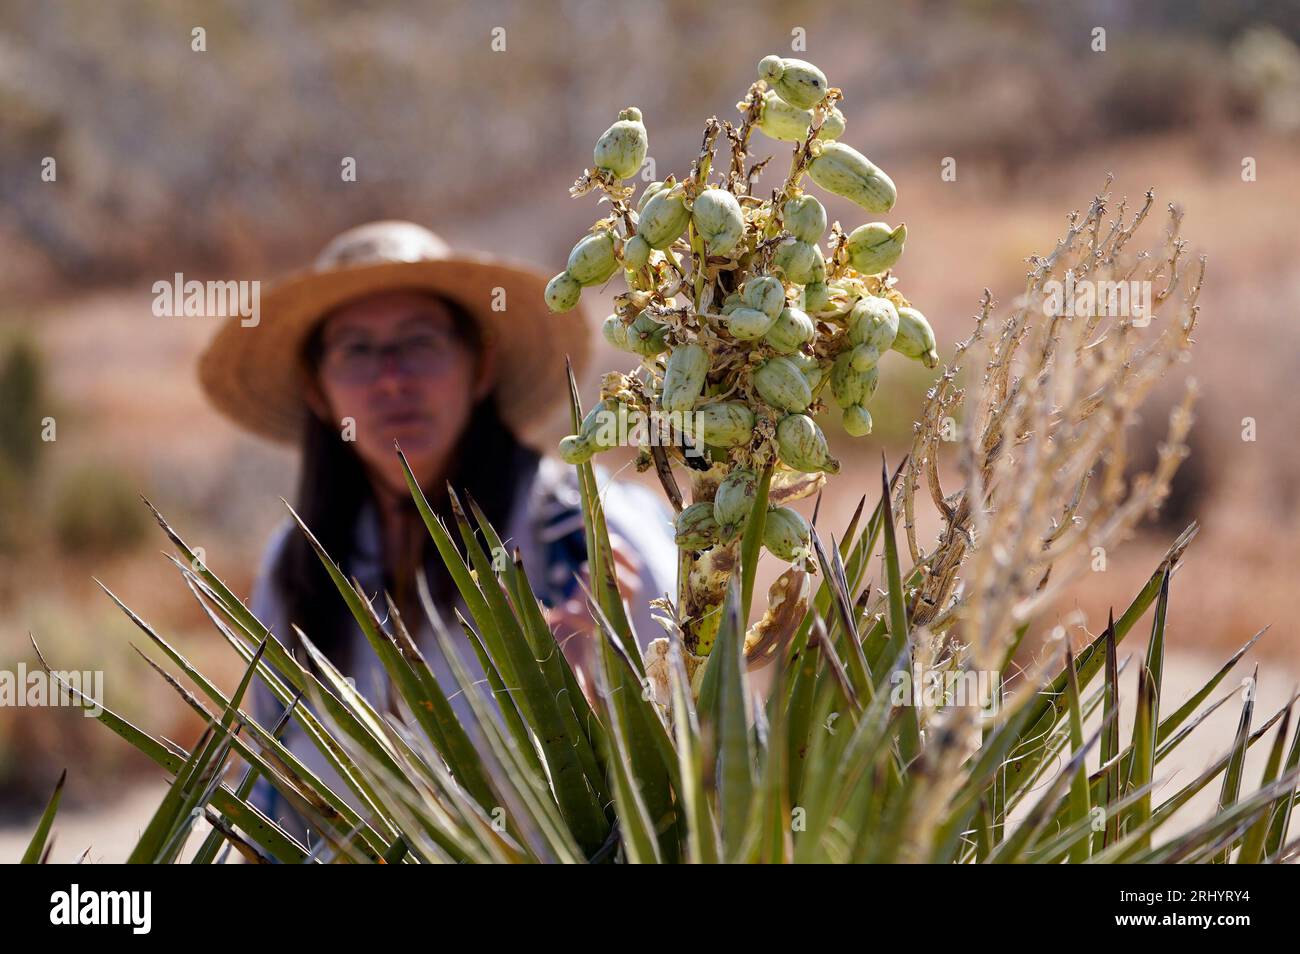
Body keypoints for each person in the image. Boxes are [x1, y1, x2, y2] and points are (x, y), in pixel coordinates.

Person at [197, 221, 677, 842]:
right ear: (318, 389)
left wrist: (595, 685)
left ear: (480, 366)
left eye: (421, 341)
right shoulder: (296, 566)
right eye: (357, 351)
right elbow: (269, 785)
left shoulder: (585, 535)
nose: (392, 377)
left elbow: (686, 770)